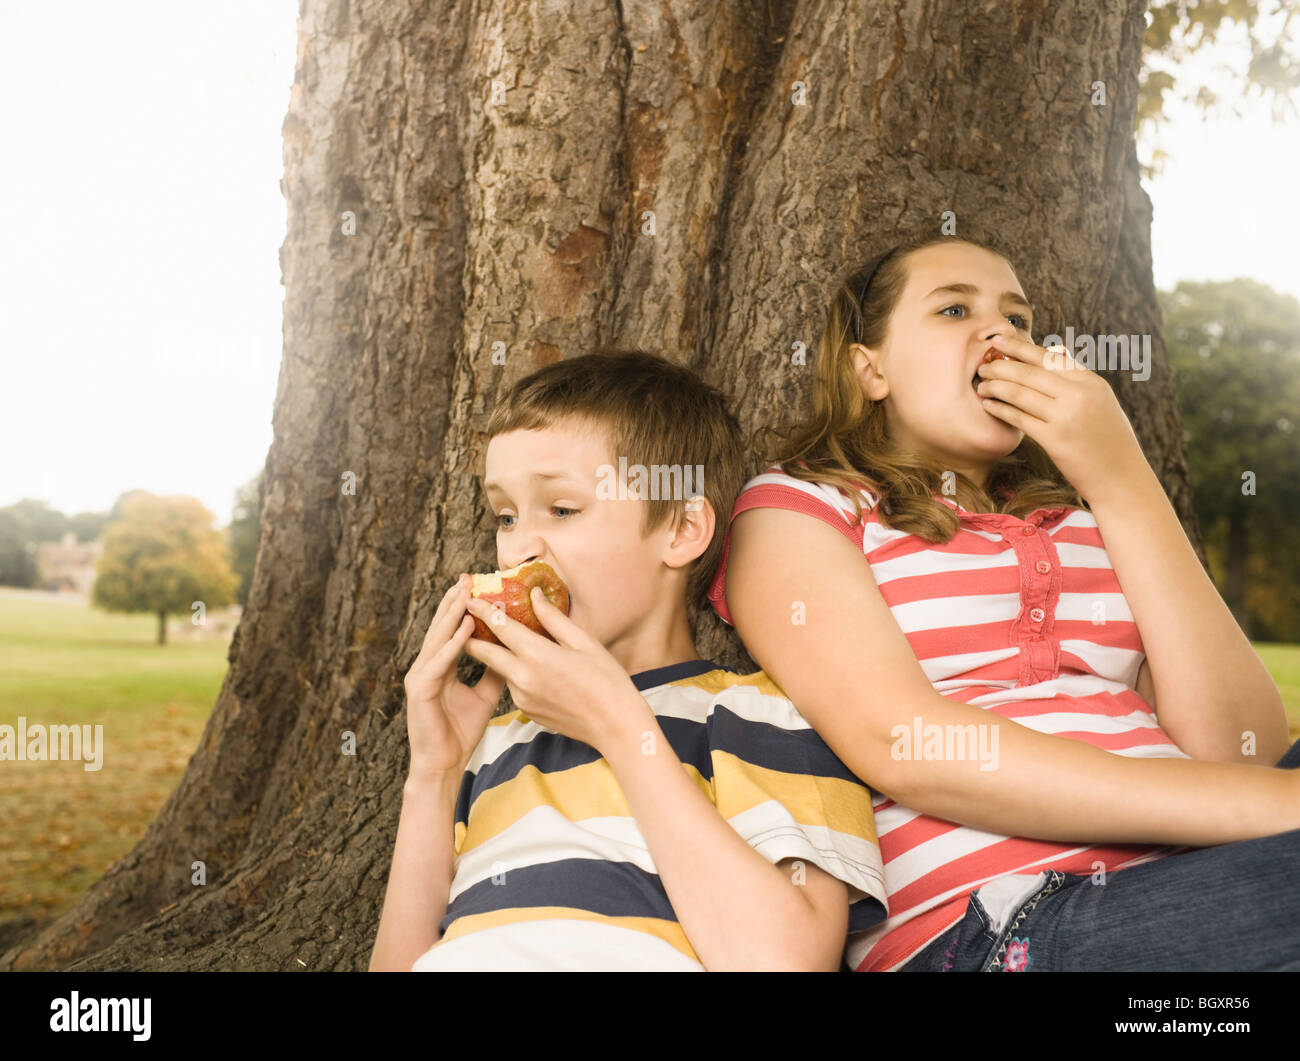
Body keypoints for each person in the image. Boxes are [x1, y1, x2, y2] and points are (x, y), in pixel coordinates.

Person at [706, 232, 1300, 972]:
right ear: (871, 368)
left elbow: (1243, 750)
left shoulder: (1093, 521)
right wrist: (1278, 811)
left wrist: (1122, 479)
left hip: (1204, 885)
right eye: (954, 309)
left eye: (1018, 321)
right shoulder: (803, 505)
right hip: (999, 926)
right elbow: (907, 744)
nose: (1000, 334)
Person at [368, 350, 888, 972]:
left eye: (561, 509)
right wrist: (434, 772)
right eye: (505, 516)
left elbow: (783, 961)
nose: (520, 546)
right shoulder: (490, 748)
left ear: (681, 530)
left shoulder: (764, 715)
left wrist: (621, 728)